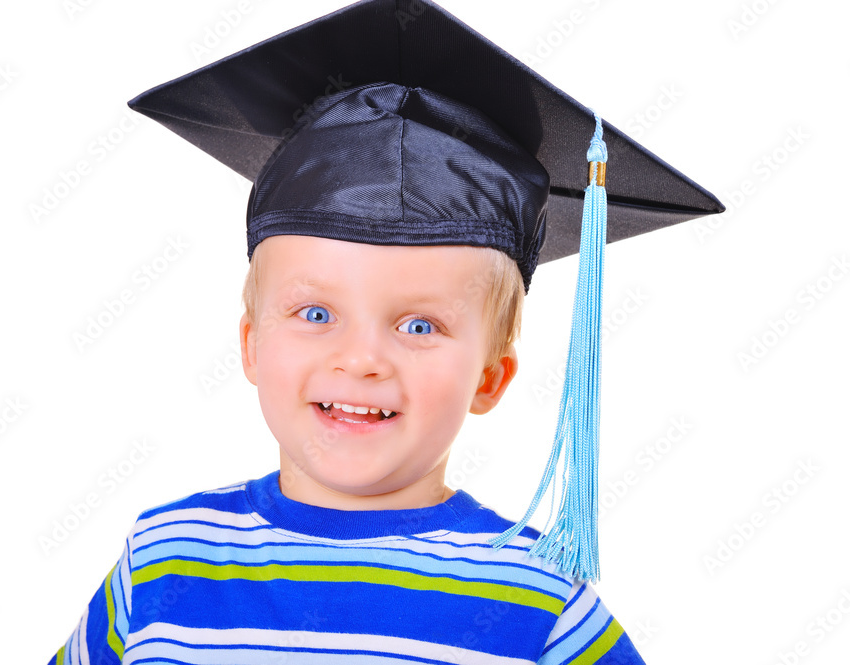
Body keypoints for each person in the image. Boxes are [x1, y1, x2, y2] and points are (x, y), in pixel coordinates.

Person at [48, 1, 722, 663]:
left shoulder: (537, 602)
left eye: (419, 324)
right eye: (316, 314)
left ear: (491, 376)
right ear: (252, 342)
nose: (361, 357)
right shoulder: (164, 562)